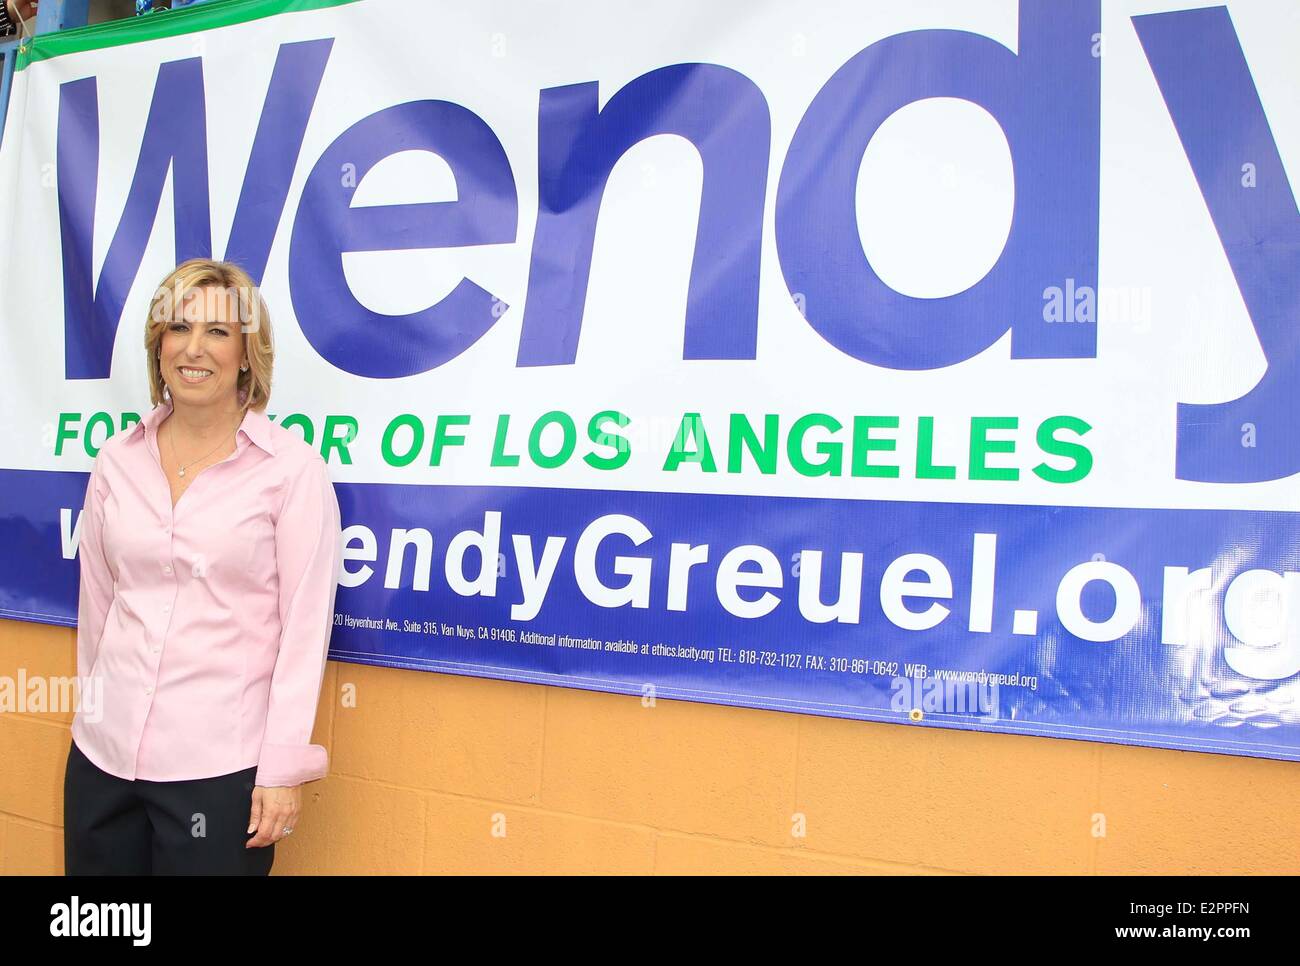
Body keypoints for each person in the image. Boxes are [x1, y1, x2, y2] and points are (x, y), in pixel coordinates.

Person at [64, 258, 343, 875]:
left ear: (247, 353)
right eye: (178, 328)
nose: (194, 349)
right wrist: (92, 712)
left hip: (218, 774)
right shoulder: (116, 460)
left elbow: (303, 631)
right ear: (156, 344)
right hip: (102, 763)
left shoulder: (290, 471)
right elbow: (99, 604)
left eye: (218, 332)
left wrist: (279, 770)